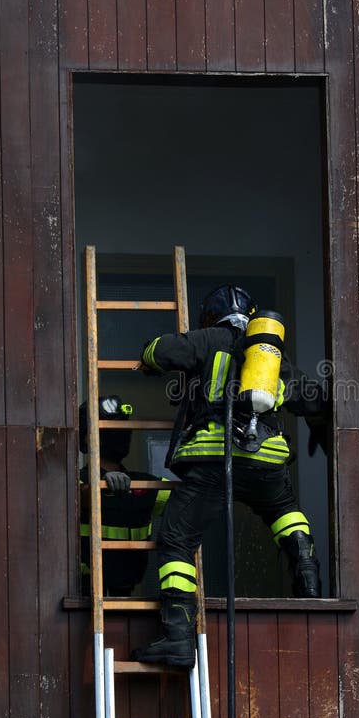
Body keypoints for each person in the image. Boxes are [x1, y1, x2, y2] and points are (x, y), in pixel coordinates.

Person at [131, 285, 328, 668]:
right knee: (284, 511)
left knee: (176, 539)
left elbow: (159, 351)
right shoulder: (272, 357)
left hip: (214, 456)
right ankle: (311, 587)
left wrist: (149, 355)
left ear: (211, 316)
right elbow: (314, 398)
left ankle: (178, 636)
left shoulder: (210, 338)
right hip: (267, 458)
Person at [79, 395, 171, 596]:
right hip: (84, 597)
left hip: (127, 596)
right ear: (87, 437)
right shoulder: (75, 484)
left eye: (123, 426)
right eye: (112, 426)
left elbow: (188, 501)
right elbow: (76, 498)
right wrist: (100, 485)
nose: (120, 433)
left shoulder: (144, 486)